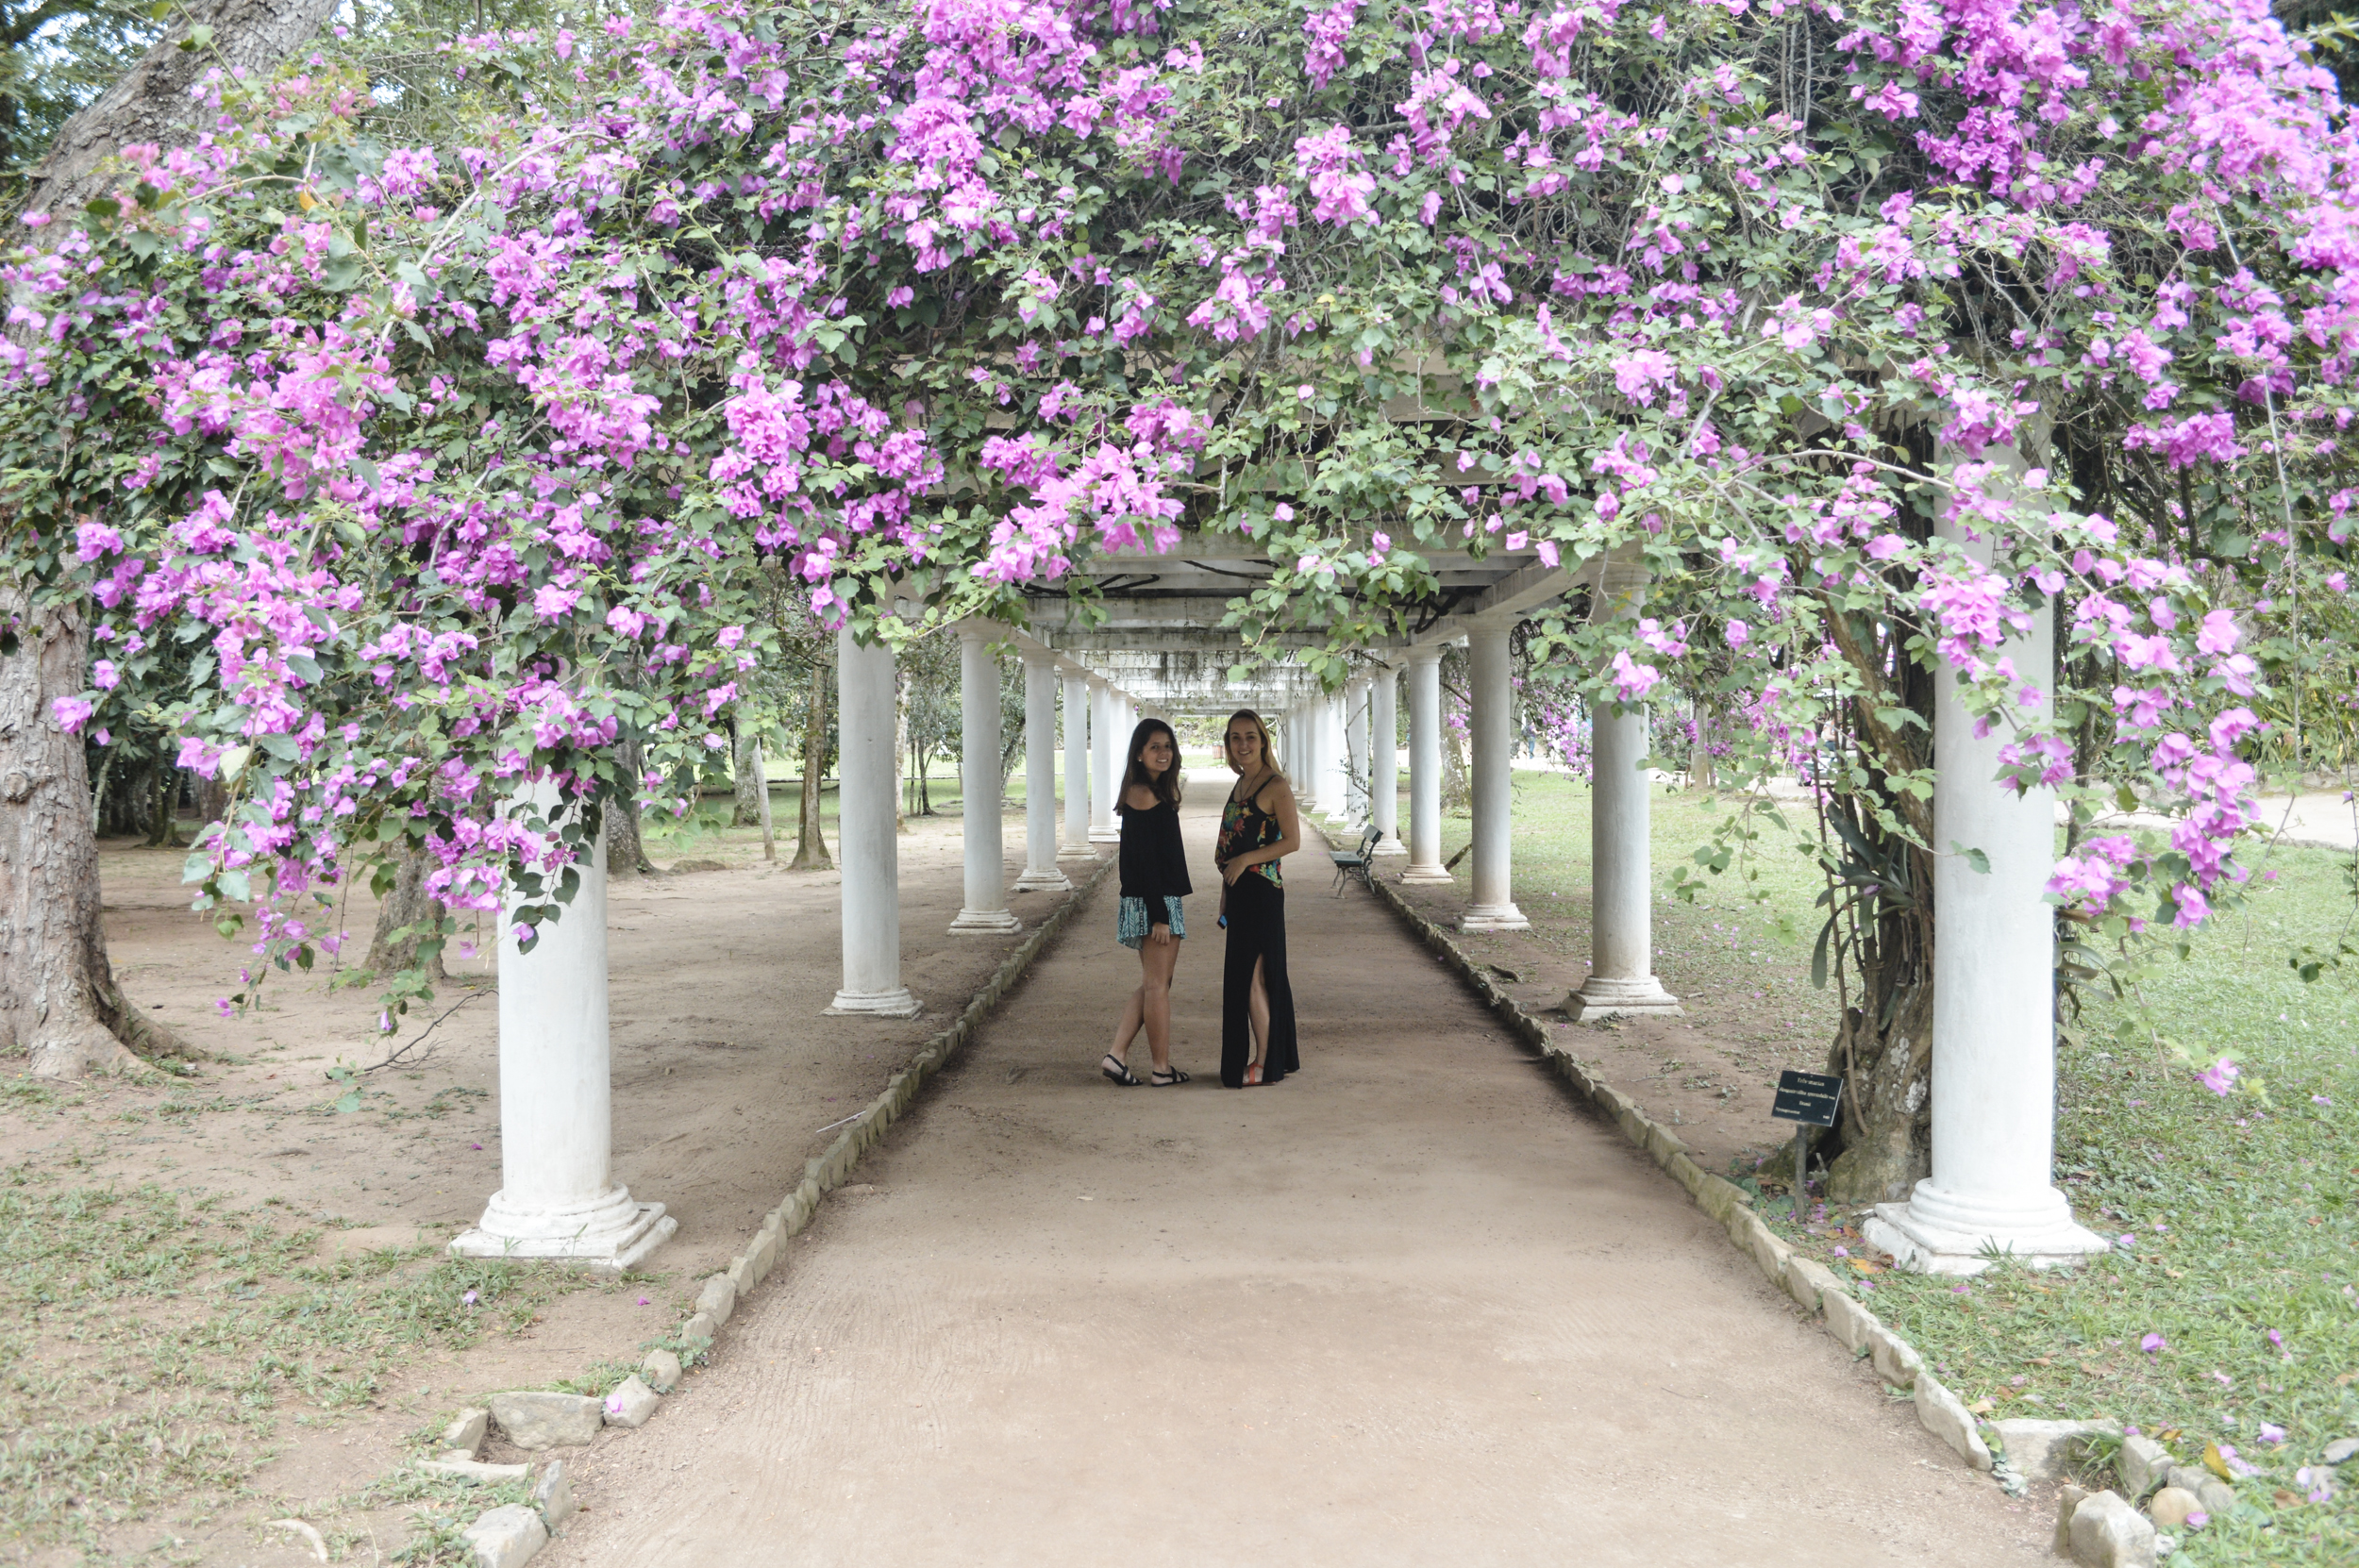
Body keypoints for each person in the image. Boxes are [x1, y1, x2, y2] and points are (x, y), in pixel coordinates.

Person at [1103, 717, 1194, 1087]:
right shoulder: (1142, 793)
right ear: (1139, 754)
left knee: (1155, 983)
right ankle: (1160, 1068)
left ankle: (1117, 1055)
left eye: (1167, 746)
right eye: (1154, 746)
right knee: (1157, 985)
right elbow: (1145, 862)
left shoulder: (1152, 791)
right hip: (1153, 902)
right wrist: (1159, 916)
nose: (1163, 753)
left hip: (1158, 899)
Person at [1213, 709, 1300, 1088]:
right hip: (1241, 895)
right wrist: (1225, 895)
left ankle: (1264, 1063)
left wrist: (1247, 860)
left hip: (1263, 894)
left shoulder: (1275, 785)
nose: (1243, 744)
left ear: (1263, 740)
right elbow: (1232, 846)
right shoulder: (1241, 784)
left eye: (1250, 736)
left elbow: (1292, 842)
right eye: (1235, 738)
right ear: (1229, 745)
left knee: (1253, 979)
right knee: (1252, 977)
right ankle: (1271, 1057)